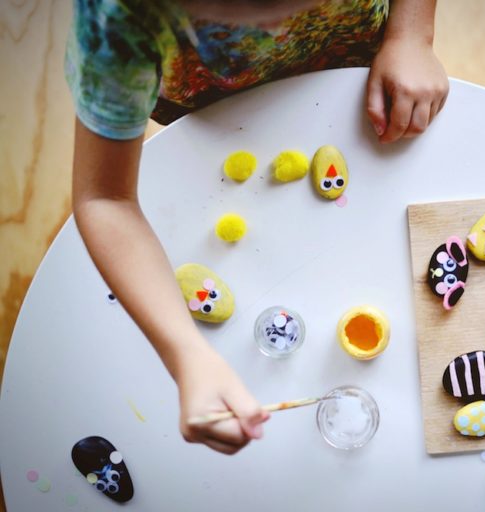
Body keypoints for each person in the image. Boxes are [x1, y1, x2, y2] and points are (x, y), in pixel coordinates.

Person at [66, 0, 449, 455]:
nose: (275, 27)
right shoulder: (117, 18)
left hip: (352, 59)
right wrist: (185, 353)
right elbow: (103, 198)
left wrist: (411, 34)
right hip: (209, 107)